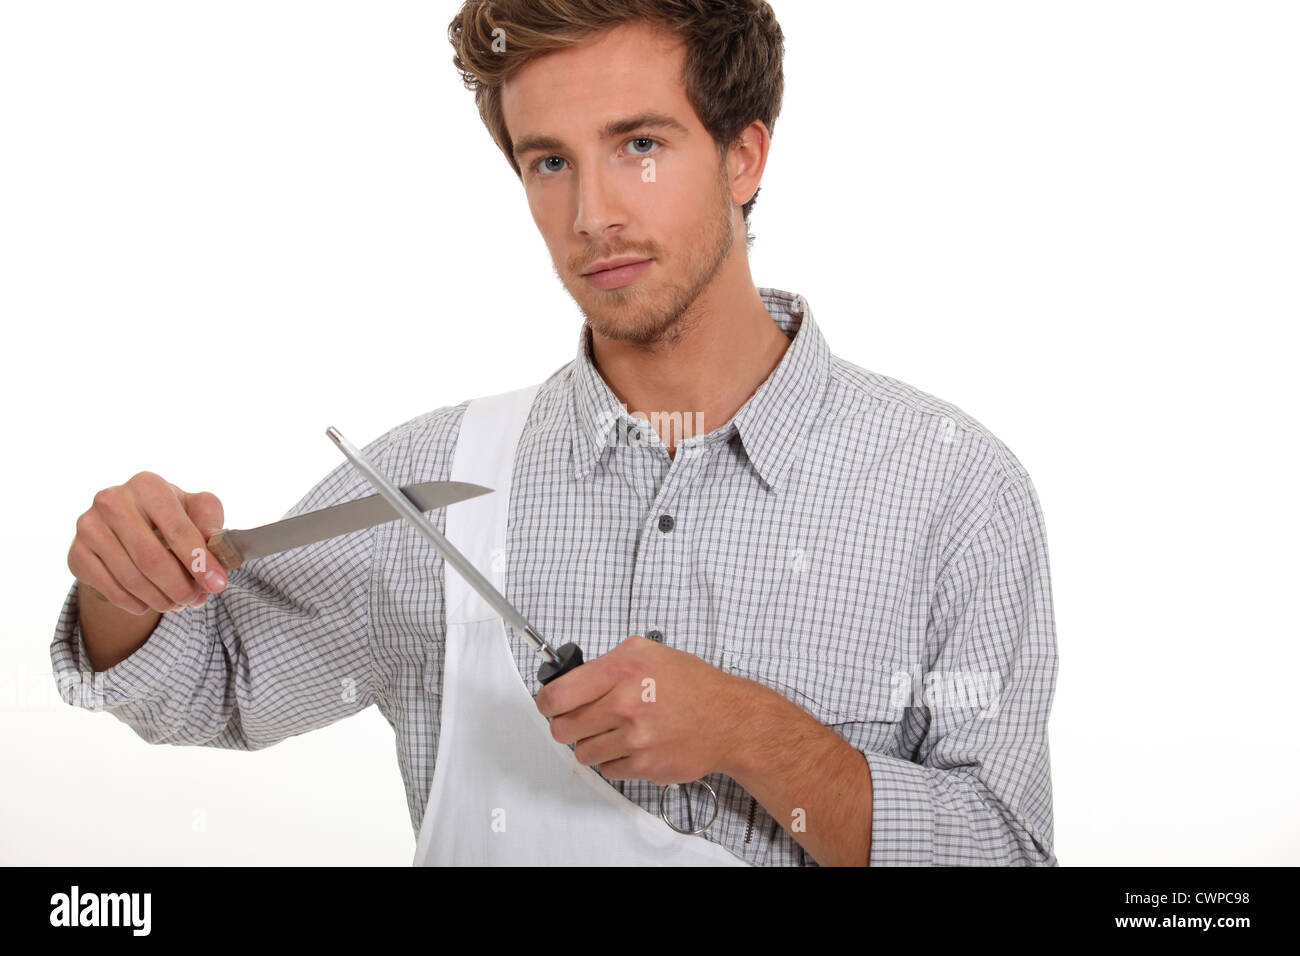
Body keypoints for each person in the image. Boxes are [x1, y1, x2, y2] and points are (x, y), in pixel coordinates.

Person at [52, 0, 1058, 866]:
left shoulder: (950, 488)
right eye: (548, 161)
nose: (591, 214)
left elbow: (1003, 851)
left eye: (640, 144)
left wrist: (753, 734)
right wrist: (122, 582)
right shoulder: (432, 478)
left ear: (743, 153)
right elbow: (208, 684)